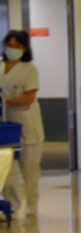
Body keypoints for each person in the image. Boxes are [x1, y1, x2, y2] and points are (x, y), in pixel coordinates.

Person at [0, 30, 45, 220]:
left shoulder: (29, 69)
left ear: (24, 48)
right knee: (7, 168)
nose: (12, 49)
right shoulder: (0, 65)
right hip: (6, 125)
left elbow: (29, 96)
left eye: (17, 46)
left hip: (28, 124)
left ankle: (32, 206)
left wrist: (6, 102)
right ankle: (12, 205)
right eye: (9, 45)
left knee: (30, 168)